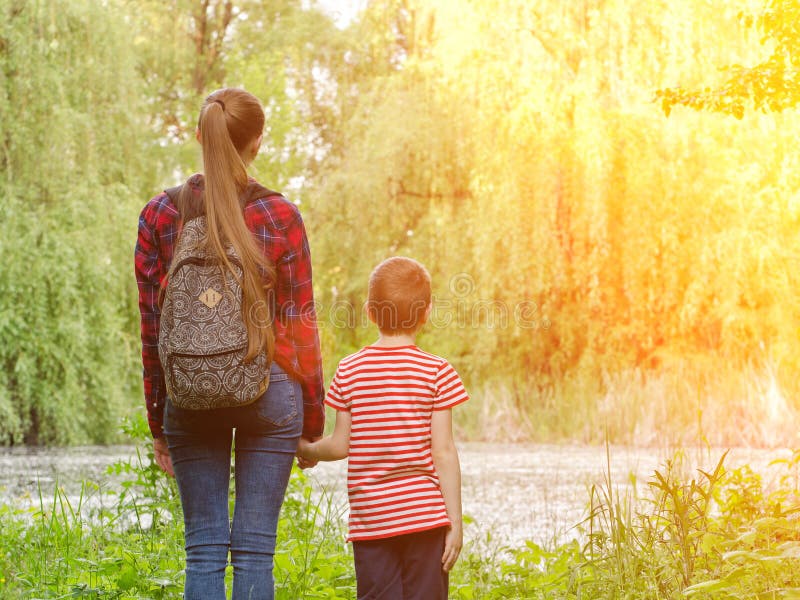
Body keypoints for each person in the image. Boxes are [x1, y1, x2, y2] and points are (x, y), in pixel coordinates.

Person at [134, 87, 324, 600]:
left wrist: (159, 420)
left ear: (200, 137)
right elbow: (300, 326)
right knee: (256, 550)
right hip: (269, 392)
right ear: (257, 143)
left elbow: (154, 329)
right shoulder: (280, 216)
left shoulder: (159, 215)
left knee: (203, 550)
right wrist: (312, 420)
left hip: (189, 397)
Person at [297, 256, 468, 600]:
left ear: (370, 312)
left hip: (372, 521)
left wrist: (307, 450)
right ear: (427, 312)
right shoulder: (437, 372)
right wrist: (455, 522)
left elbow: (340, 445)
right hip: (426, 518)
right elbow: (444, 451)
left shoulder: (350, 370)